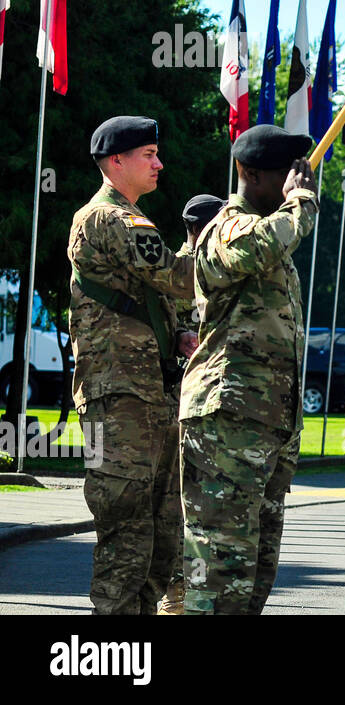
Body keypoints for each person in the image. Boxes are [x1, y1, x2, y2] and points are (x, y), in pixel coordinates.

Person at [180, 124, 316, 614]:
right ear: (249, 173)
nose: (296, 182)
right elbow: (259, 245)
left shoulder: (271, 232)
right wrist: (301, 203)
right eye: (286, 174)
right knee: (220, 563)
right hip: (227, 415)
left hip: (270, 420)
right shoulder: (227, 227)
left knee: (256, 567)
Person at [68, 116, 196, 615]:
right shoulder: (107, 218)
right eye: (149, 154)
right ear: (115, 161)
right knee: (126, 537)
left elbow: (150, 300)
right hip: (118, 399)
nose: (159, 163)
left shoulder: (129, 219)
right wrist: (242, 235)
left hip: (148, 396)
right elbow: (178, 276)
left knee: (161, 539)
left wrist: (177, 335)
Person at [153, 193, 224, 615]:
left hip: (214, 402)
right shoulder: (179, 273)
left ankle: (197, 591)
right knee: (181, 504)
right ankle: (176, 592)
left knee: (208, 504)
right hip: (181, 403)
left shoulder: (216, 268)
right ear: (201, 228)